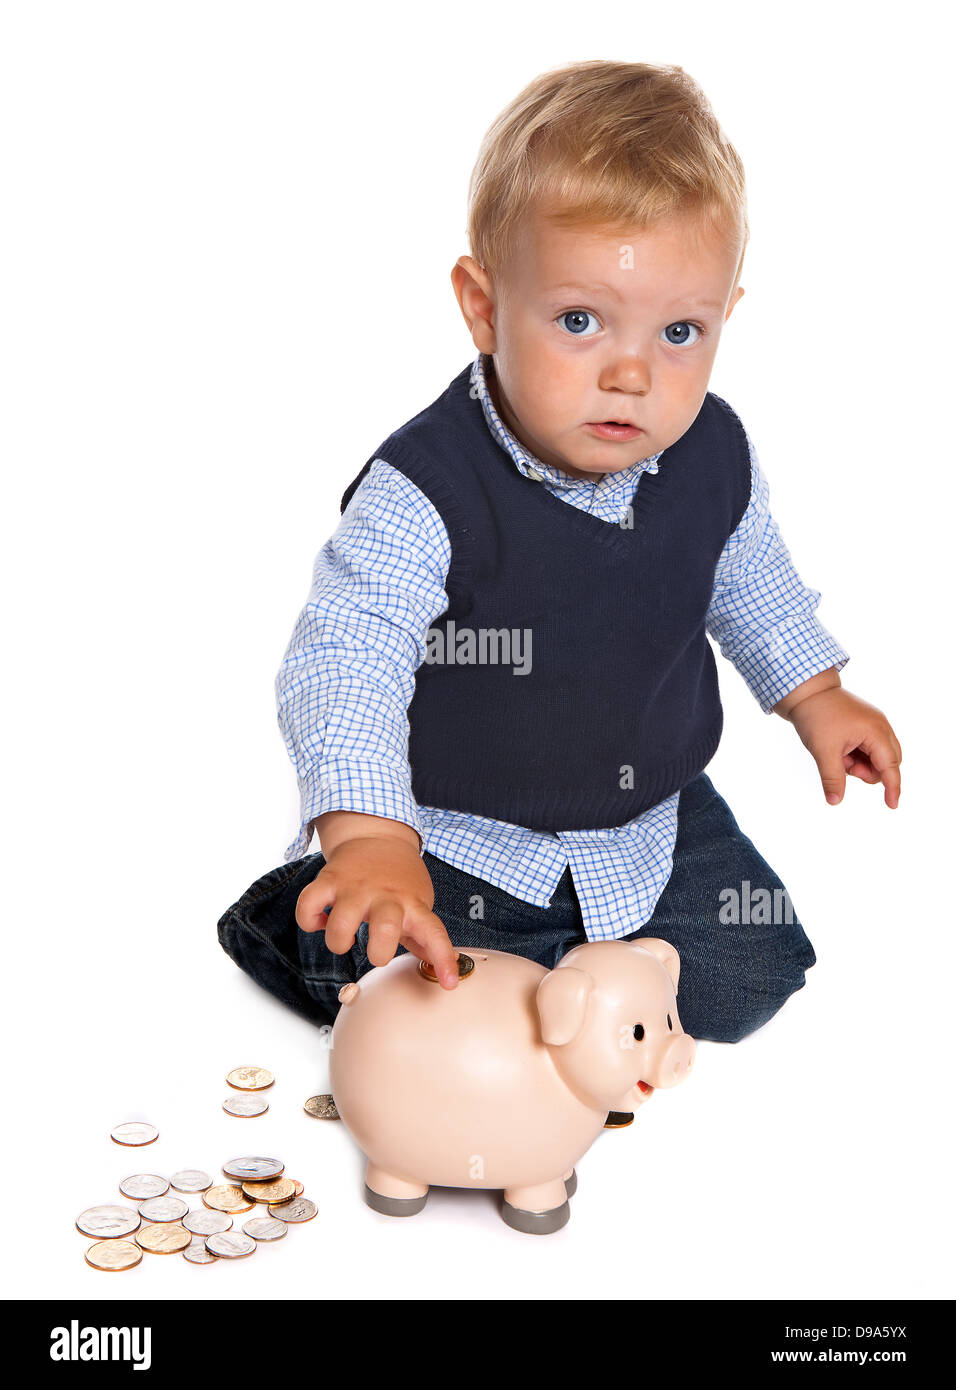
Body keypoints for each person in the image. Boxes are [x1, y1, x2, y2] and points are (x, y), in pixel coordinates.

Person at [218, 59, 901, 1058]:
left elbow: (747, 576)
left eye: (678, 332)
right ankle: (305, 922)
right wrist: (373, 837)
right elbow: (344, 660)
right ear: (484, 306)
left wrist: (815, 694)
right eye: (578, 321)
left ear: (724, 318)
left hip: (642, 820)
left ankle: (569, 967)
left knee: (750, 975)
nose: (630, 373)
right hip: (455, 829)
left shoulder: (712, 452)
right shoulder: (425, 490)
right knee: (421, 992)